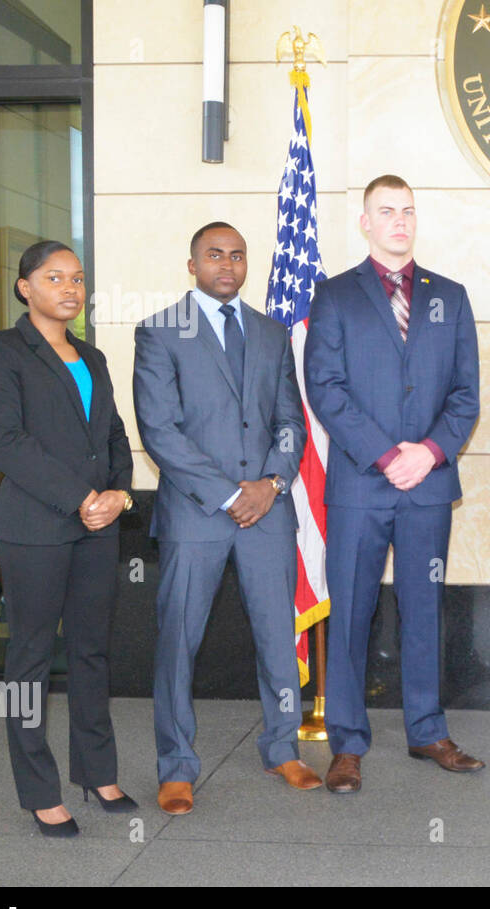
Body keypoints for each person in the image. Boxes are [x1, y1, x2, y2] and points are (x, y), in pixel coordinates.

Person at [305, 175, 483, 791]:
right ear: (365, 222)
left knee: (423, 608)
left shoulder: (450, 297)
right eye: (387, 211)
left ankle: (428, 731)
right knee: (351, 612)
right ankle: (348, 744)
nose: (399, 221)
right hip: (360, 484)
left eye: (408, 211)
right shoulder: (333, 296)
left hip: (428, 487)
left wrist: (429, 452)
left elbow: (465, 393)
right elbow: (325, 389)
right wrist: (388, 456)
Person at [133, 222, 317, 815]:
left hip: (268, 513)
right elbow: (159, 430)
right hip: (196, 515)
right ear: (193, 265)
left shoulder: (269, 332)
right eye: (215, 256)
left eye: (237, 256)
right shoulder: (160, 332)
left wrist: (272, 484)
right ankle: (177, 766)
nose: (228, 266)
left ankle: (282, 747)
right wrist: (225, 494)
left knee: (275, 638)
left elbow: (292, 420)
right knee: (178, 644)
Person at [0, 240, 137, 837]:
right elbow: (7, 442)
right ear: (26, 287)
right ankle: (40, 791)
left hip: (98, 526)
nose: (70, 289)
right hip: (35, 526)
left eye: (77, 279)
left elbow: (115, 435)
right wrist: (81, 499)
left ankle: (97, 773)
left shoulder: (92, 357)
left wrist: (119, 493)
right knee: (33, 658)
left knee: (92, 650)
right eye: (54, 278)